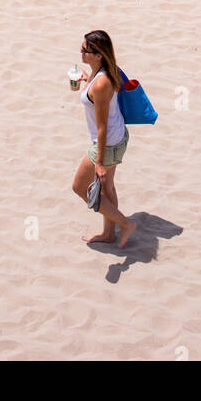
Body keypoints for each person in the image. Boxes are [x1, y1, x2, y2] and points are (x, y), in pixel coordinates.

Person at [70, 31, 136, 248]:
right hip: (117, 138)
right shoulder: (104, 71)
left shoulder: (101, 84)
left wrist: (98, 162)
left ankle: (125, 224)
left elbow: (102, 127)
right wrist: (84, 79)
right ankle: (109, 234)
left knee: (80, 187)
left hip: (107, 144)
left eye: (85, 51)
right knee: (107, 189)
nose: (82, 53)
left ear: (99, 55)